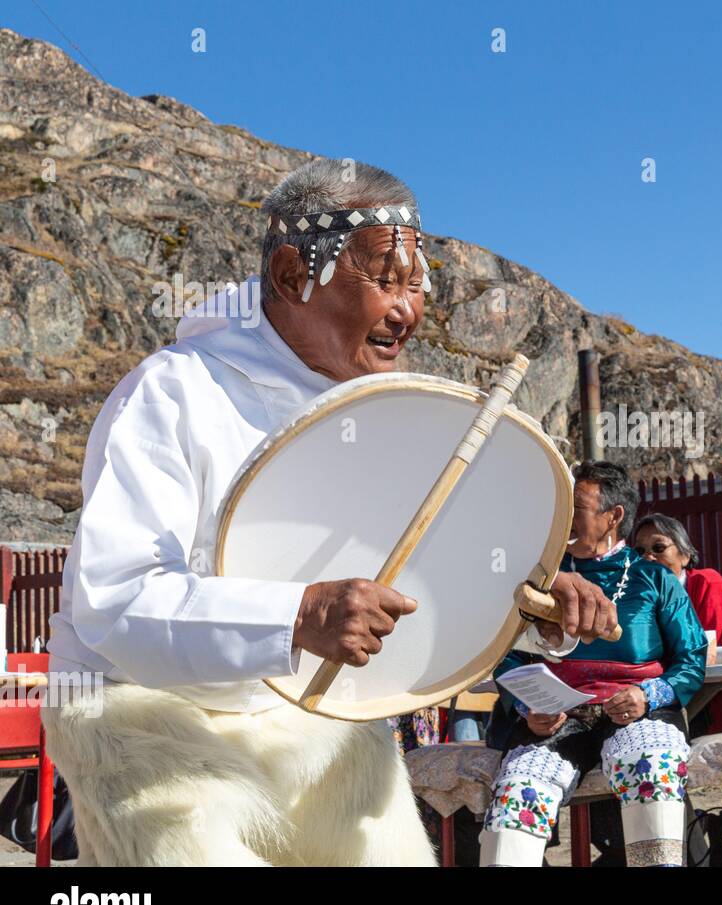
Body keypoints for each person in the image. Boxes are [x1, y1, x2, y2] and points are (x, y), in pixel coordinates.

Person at [40, 159, 613, 866]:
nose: (407, 310)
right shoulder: (172, 393)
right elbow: (115, 599)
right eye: (385, 280)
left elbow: (417, 585)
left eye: (416, 283)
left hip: (321, 724)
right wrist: (300, 616)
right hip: (150, 722)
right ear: (290, 276)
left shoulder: (388, 413)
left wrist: (526, 604)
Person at [481, 461, 708, 867]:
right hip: (557, 720)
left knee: (650, 767)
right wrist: (526, 708)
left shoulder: (654, 579)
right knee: (516, 795)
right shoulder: (538, 580)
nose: (562, 520)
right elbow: (507, 655)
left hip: (637, 715)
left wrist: (645, 695)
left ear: (613, 517)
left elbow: (691, 659)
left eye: (576, 509)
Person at [634, 513, 722, 735]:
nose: (648, 557)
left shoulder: (706, 583)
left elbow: (704, 650)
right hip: (651, 699)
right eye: (639, 552)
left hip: (708, 702)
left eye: (658, 548)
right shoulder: (636, 596)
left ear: (684, 554)